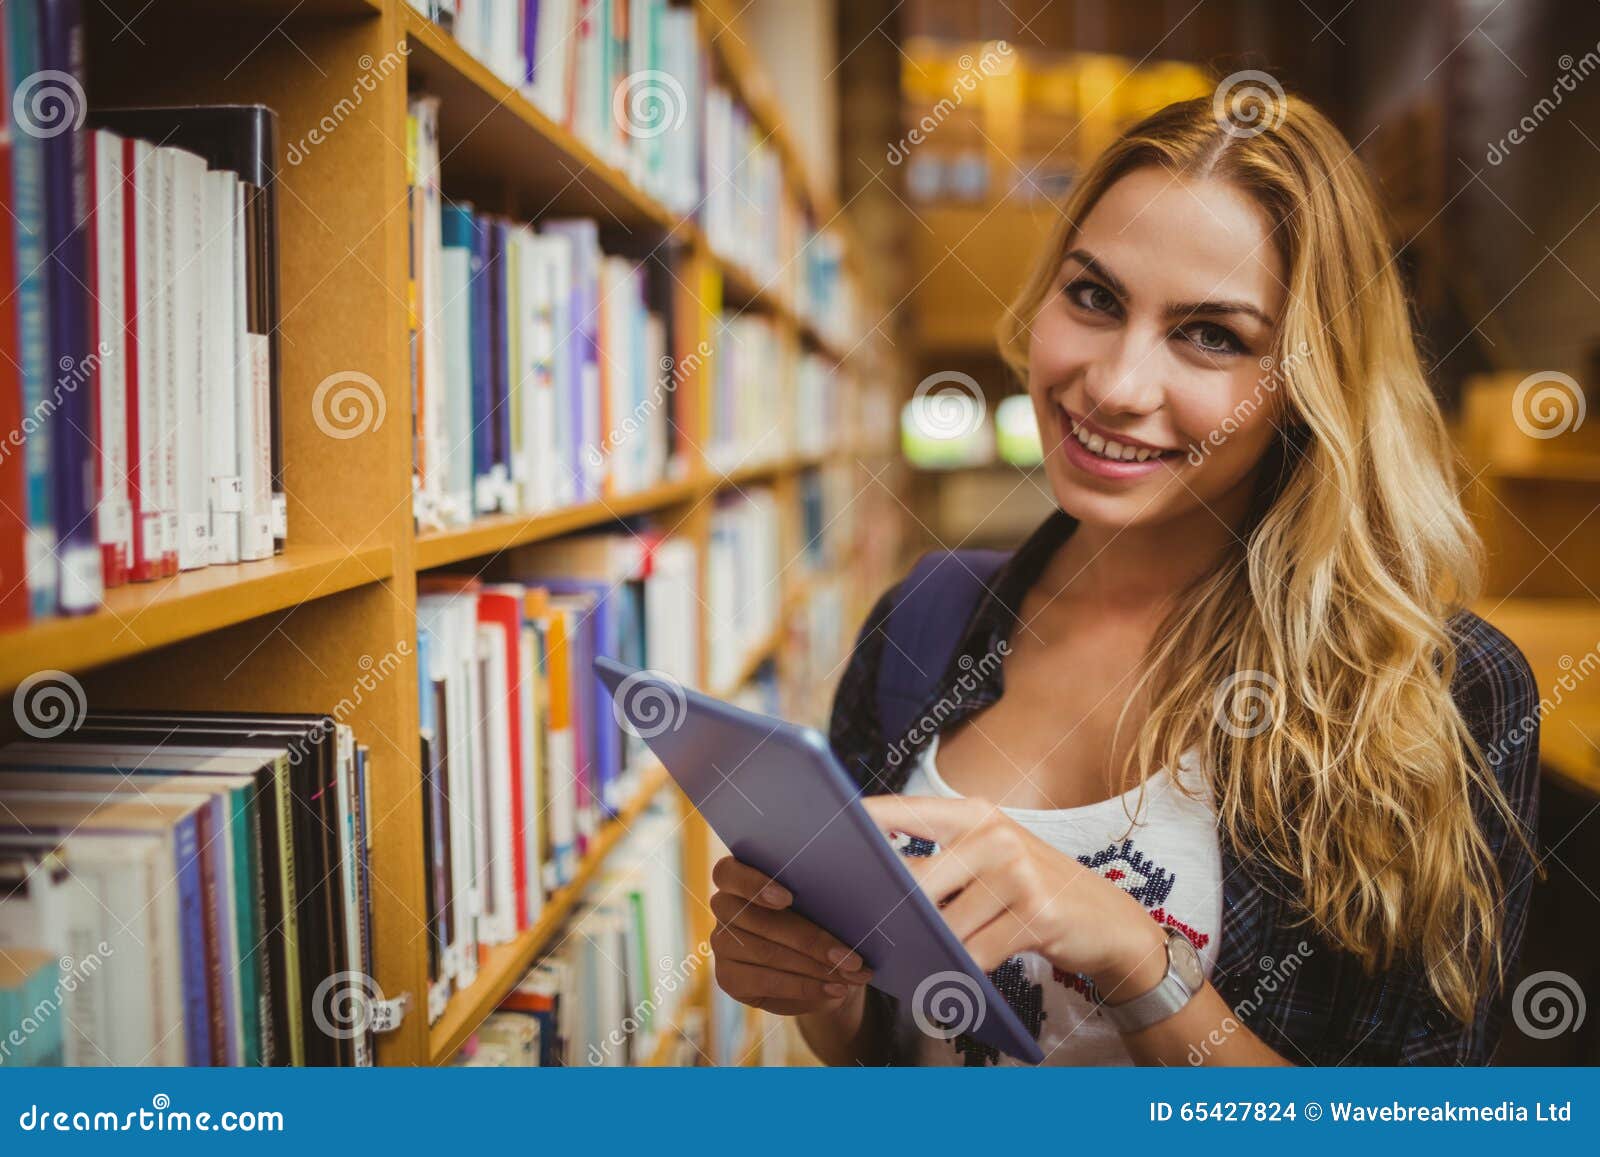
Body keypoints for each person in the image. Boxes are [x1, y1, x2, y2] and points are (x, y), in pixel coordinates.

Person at [707, 92, 1541, 1066]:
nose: (1112, 385)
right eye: (1094, 298)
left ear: (1308, 384)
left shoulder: (1439, 692)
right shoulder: (921, 621)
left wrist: (1139, 960)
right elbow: (878, 1051)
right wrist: (816, 983)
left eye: (1211, 335)